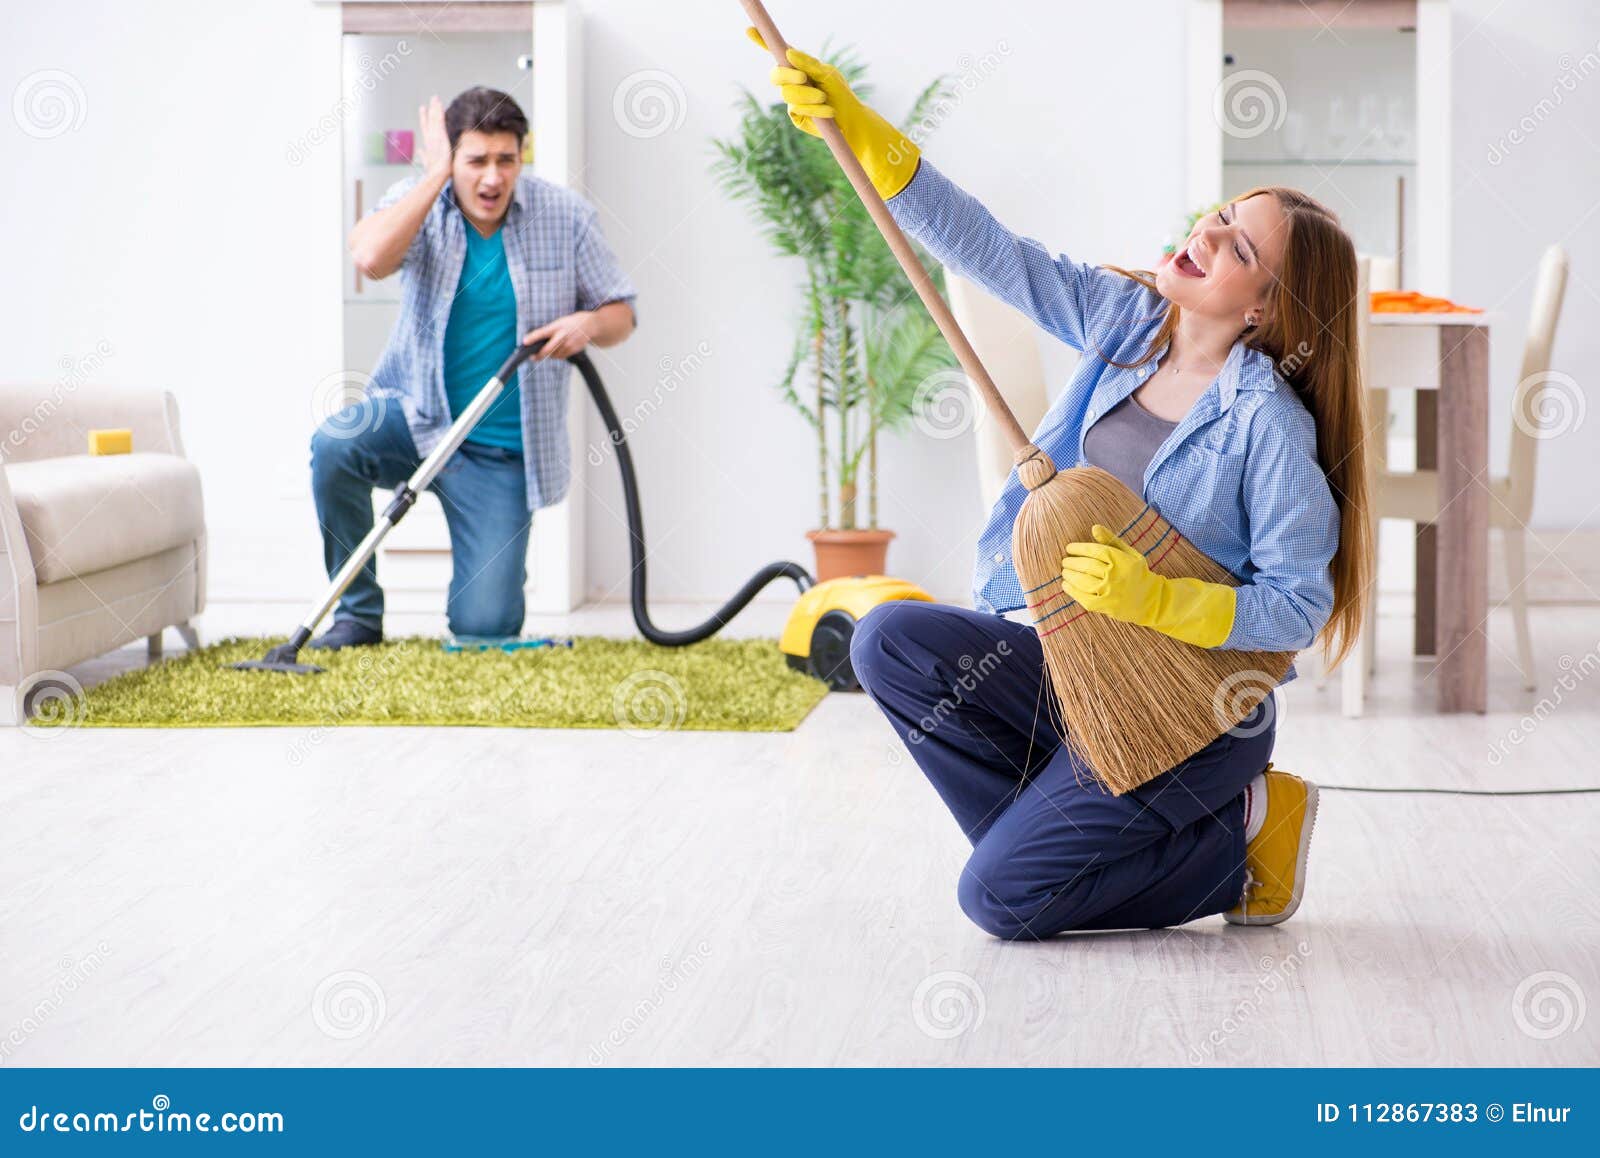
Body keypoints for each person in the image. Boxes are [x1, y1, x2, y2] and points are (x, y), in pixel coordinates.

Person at [760, 39, 1373, 938]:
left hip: (1192, 717)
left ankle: (1238, 840)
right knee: (888, 639)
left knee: (998, 898)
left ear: (1267, 310)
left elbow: (1296, 605)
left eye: (1235, 245)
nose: (1202, 234)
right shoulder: (1124, 319)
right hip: (1069, 672)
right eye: (1215, 216)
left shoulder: (1267, 426)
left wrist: (1165, 601)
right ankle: (1072, 834)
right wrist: (861, 130)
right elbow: (990, 252)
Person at [310, 87, 637, 648]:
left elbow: (622, 313)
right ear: (453, 159)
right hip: (414, 420)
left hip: (500, 453)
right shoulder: (421, 202)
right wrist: (434, 175)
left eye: (505, 160)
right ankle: (357, 615)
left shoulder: (565, 216)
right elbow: (369, 256)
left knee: (485, 629)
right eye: (476, 160)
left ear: (521, 156)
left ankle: (480, 603)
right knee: (337, 443)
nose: (492, 178)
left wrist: (586, 324)